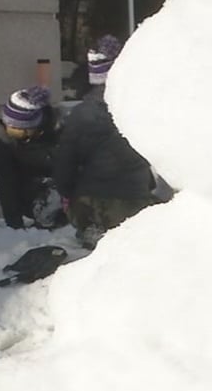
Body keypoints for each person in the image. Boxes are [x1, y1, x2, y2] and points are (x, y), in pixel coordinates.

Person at [54, 35, 156, 249]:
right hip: (135, 202)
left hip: (91, 204)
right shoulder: (143, 110)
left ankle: (92, 227)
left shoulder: (82, 114)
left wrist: (66, 195)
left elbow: (65, 164)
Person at [0, 86, 66, 230]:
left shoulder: (63, 133)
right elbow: (6, 182)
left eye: (18, 132)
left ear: (35, 126)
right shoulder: (6, 141)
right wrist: (14, 224)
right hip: (30, 197)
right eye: (10, 129)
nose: (13, 135)